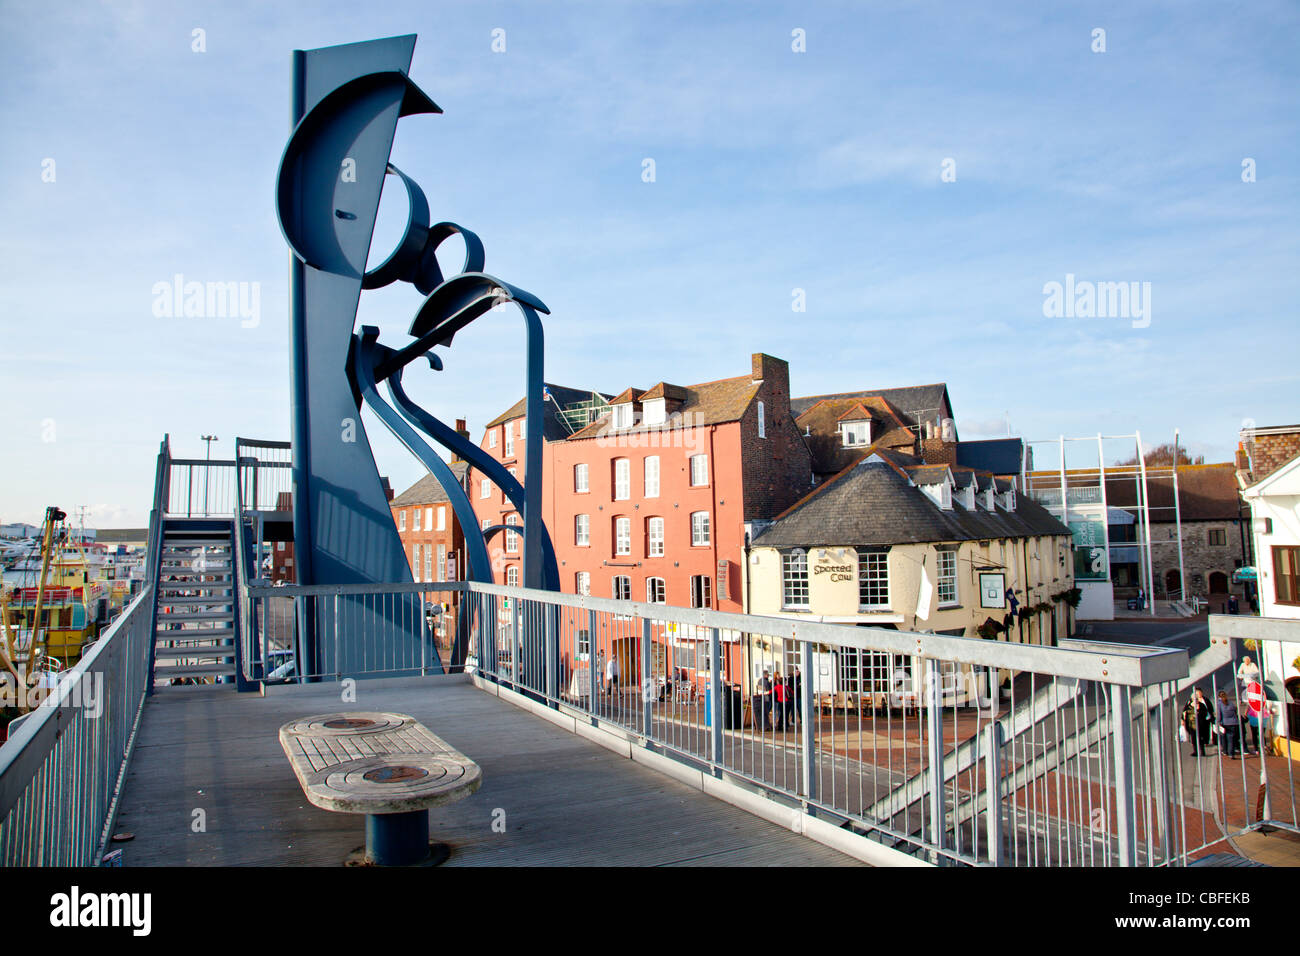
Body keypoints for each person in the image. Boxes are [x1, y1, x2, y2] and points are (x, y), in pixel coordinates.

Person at [1189, 686, 1214, 757]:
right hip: (1193, 724)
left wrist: (1199, 712)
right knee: (1194, 738)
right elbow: (1185, 712)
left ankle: (1202, 751)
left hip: (1201, 723)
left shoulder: (1202, 704)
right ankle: (1195, 751)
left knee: (1201, 738)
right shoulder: (1189, 704)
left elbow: (1207, 711)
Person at [1216, 690, 1240, 759]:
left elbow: (1219, 714)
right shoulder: (1230, 703)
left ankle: (1225, 751)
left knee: (1223, 738)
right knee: (1231, 739)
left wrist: (1218, 722)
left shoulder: (1219, 704)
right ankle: (1231, 753)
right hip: (1233, 722)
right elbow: (1235, 711)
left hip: (1225, 723)